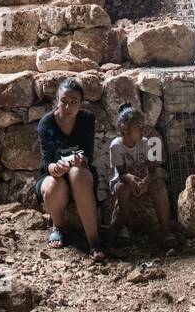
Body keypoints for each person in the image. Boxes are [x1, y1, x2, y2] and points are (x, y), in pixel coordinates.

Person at [35, 78, 104, 261]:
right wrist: (56, 168)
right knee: (52, 184)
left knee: (77, 173)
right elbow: (47, 162)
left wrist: (79, 160)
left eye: (73, 102)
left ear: (81, 103)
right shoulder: (46, 124)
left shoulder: (87, 119)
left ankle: (94, 241)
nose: (68, 106)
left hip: (79, 172)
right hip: (54, 174)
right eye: (64, 101)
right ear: (57, 100)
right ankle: (58, 227)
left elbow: (87, 154)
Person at [109, 103, 176, 247]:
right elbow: (121, 174)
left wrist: (145, 182)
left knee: (159, 186)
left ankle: (166, 230)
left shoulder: (145, 143)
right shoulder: (116, 146)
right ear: (125, 128)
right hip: (125, 181)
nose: (142, 129)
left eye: (143, 125)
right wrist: (131, 180)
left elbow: (152, 171)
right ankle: (125, 228)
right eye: (138, 126)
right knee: (123, 188)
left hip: (142, 180)